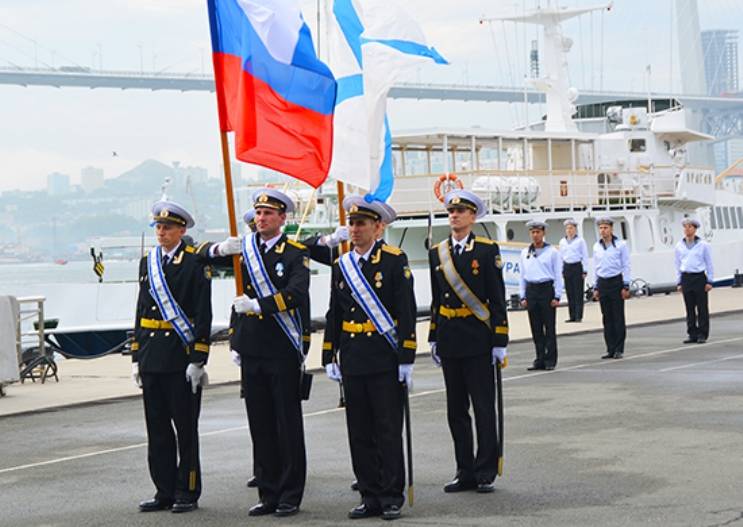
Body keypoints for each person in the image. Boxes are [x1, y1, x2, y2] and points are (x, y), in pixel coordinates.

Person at [206, 189, 311, 518]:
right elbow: (198, 257)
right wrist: (219, 248)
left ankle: (290, 494)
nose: (261, 218)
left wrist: (259, 305)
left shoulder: (294, 252)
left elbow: (296, 292)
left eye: (268, 213)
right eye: (258, 213)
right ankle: (268, 492)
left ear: (282, 218)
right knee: (261, 424)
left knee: (286, 423)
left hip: (281, 348)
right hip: (251, 349)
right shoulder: (243, 250)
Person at [322, 196, 417, 521]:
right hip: (352, 356)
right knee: (359, 430)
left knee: (387, 430)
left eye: (361, 224)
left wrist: (406, 356)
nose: (355, 229)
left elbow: (405, 311)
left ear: (377, 227)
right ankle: (370, 494)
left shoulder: (393, 260)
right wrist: (328, 354)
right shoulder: (341, 265)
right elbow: (334, 312)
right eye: (352, 223)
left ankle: (392, 495)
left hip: (383, 356)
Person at [131, 200, 212, 514]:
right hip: (152, 354)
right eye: (158, 227)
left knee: (185, 429)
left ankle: (187, 490)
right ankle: (163, 489)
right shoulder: (147, 263)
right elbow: (140, 310)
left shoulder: (194, 263)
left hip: (180, 356)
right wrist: (136, 356)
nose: (161, 232)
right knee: (157, 428)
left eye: (167, 227)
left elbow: (203, 312)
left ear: (182, 230)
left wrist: (198, 358)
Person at [428, 189, 508, 494]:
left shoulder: (487, 251)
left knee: (483, 408)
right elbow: (436, 300)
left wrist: (500, 339)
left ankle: (485, 469)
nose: (454, 216)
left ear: (473, 216)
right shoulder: (438, 252)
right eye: (451, 211)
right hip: (450, 339)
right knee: (456, 411)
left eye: (461, 211)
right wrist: (434, 336)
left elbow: (497, 299)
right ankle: (464, 470)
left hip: (478, 340)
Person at [520, 220, 563, 371]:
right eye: (533, 232)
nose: (535, 235)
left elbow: (558, 274)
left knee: (549, 327)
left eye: (538, 232)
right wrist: (523, 296)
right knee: (536, 327)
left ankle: (550, 359)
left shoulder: (552, 252)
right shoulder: (525, 252)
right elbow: (523, 276)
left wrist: (557, 295)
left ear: (544, 233)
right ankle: (539, 358)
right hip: (531, 290)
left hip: (546, 289)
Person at [592, 217, 631, 359]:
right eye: (601, 228)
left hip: (616, 281)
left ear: (611, 229)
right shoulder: (596, 246)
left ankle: (619, 348)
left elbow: (626, 265)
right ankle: (610, 348)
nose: (603, 231)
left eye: (605, 228)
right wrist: (595, 286)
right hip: (603, 282)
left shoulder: (620, 245)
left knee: (618, 316)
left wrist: (626, 285)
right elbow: (596, 267)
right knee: (606, 317)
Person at [674, 218, 714, 344]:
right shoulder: (679, 246)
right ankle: (692, 333)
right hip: (686, 277)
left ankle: (703, 333)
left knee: (702, 307)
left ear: (695, 229)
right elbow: (677, 264)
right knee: (689, 308)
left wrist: (710, 280)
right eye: (685, 227)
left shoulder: (703, 245)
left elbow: (709, 263)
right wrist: (679, 281)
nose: (687, 229)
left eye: (690, 227)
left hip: (699, 277)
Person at [559, 218, 589, 322]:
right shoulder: (562, 241)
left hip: (577, 266)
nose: (569, 230)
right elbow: (561, 256)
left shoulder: (580, 241)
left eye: (571, 228)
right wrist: (561, 269)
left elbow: (585, 255)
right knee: (570, 292)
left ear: (575, 229)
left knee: (578, 292)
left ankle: (578, 315)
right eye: (567, 228)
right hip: (567, 267)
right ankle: (571, 315)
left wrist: (585, 270)